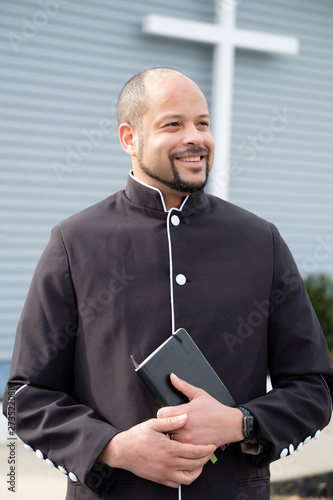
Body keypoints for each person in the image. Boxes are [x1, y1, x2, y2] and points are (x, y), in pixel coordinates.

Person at [3, 67, 333, 500]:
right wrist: (114, 448)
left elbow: (314, 387)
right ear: (129, 138)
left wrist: (240, 423)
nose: (195, 137)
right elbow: (26, 395)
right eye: (173, 124)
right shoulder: (74, 242)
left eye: (203, 123)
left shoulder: (261, 241)